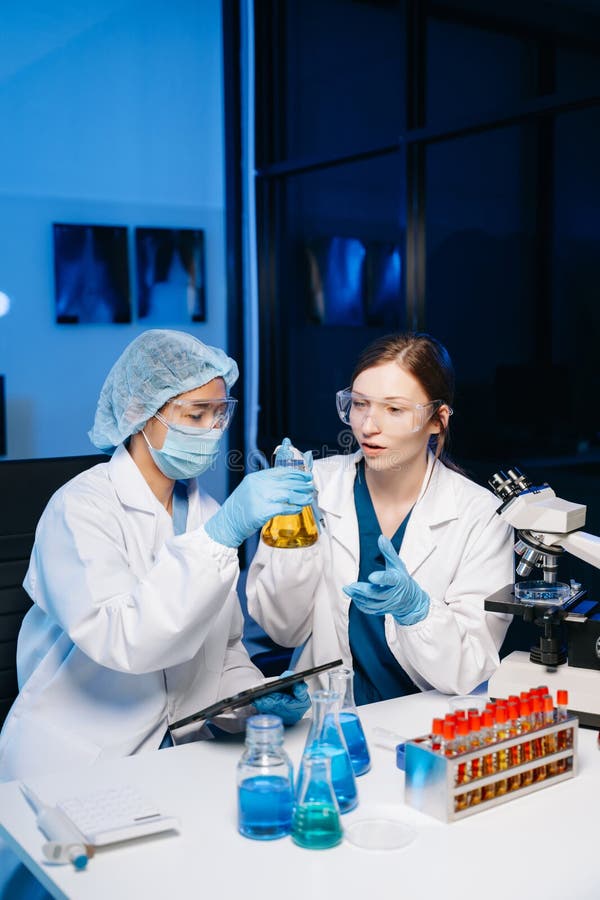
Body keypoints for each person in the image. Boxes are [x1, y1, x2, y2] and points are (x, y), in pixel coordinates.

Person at [0, 329, 312, 787]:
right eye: (195, 414)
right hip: (78, 763)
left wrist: (253, 697)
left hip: (173, 759)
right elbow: (125, 638)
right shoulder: (81, 509)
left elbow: (220, 649)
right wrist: (219, 540)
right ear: (139, 415)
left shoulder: (205, 511)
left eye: (219, 413)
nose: (212, 429)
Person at [247, 332, 514, 704]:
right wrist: (296, 535)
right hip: (327, 720)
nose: (369, 426)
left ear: (438, 420)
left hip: (424, 727)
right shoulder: (313, 487)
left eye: (394, 410)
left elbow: (470, 668)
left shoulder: (479, 515)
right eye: (360, 404)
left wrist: (416, 612)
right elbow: (282, 630)